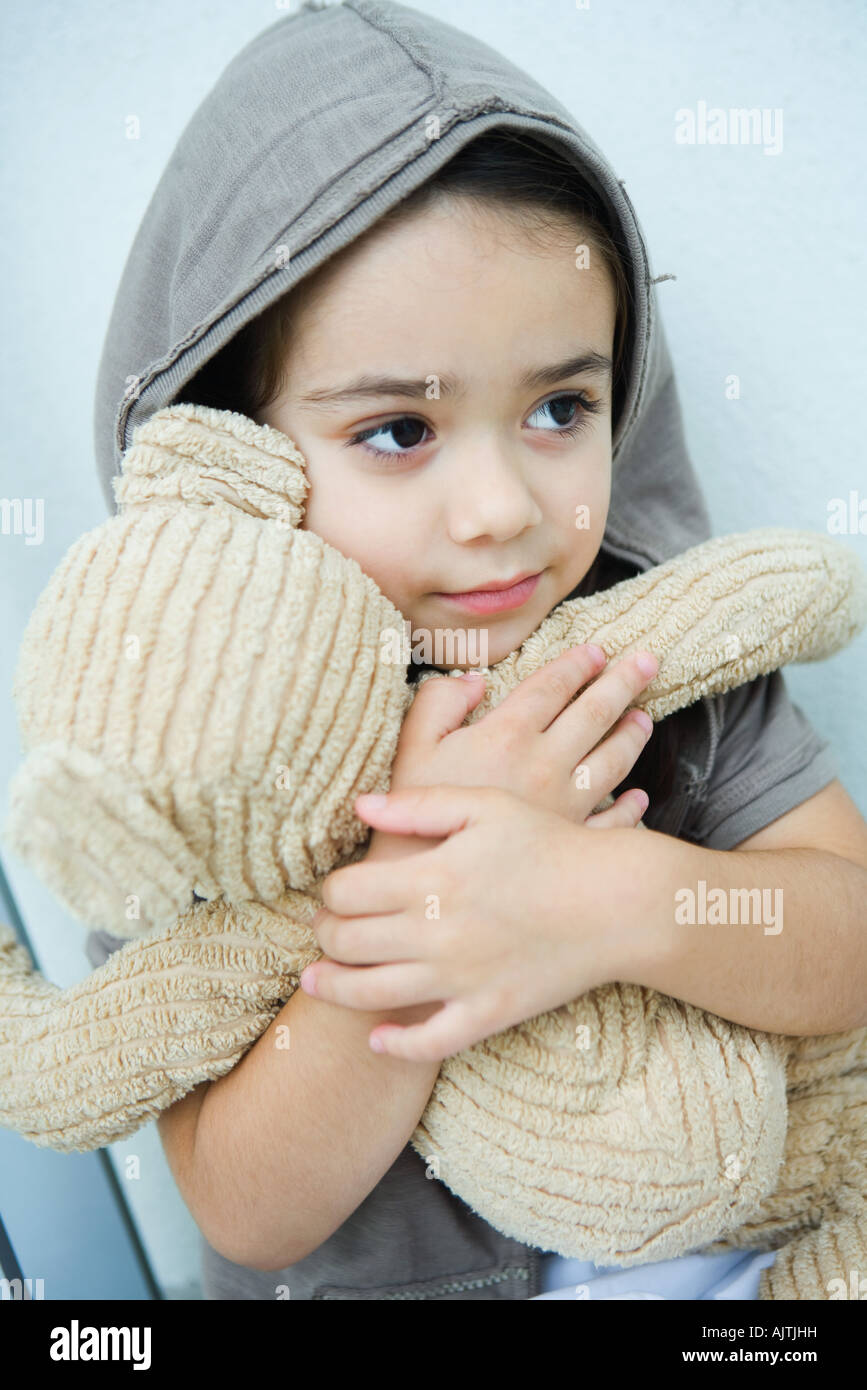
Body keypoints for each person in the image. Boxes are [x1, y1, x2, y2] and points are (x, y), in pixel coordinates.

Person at [86, 0, 866, 1300]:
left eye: (562, 406)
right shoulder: (195, 762)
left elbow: (848, 939)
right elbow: (245, 1204)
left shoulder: (652, 662)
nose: (502, 506)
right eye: (398, 429)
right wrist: (425, 904)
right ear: (235, 447)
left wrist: (606, 902)